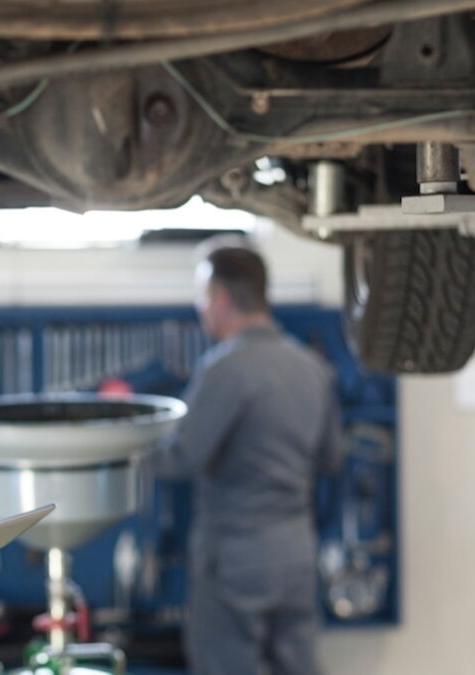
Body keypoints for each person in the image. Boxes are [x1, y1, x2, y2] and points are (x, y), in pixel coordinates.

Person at [148, 245, 342, 675]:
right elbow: (332, 458)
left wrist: (130, 446)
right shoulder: (311, 367)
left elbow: (183, 458)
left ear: (220, 298)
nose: (200, 308)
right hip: (295, 552)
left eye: (202, 296)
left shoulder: (225, 368)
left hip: (234, 558)